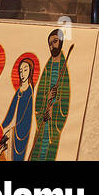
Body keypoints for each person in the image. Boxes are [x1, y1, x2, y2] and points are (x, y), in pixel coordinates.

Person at [28, 30, 70, 161]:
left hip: (53, 125)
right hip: (43, 120)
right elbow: (40, 95)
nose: (52, 46)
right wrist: (46, 100)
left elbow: (65, 101)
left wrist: (54, 108)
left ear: (61, 42)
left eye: (55, 41)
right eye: (50, 43)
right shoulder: (47, 68)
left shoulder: (64, 70)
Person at [1, 54, 38, 161]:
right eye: (20, 71)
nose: (22, 74)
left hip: (19, 133)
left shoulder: (29, 93)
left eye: (25, 70)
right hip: (10, 129)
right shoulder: (19, 90)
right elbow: (11, 112)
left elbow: (23, 119)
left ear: (30, 71)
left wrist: (10, 131)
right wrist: (3, 127)